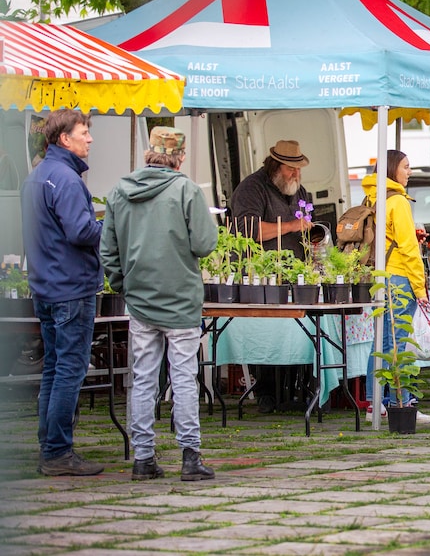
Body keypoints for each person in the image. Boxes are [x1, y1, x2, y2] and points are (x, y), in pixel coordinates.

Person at [100, 127, 218, 481]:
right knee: (183, 378)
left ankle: (143, 458)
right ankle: (190, 457)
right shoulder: (186, 190)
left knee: (142, 379)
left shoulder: (119, 191)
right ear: (180, 157)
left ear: (148, 154)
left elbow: (108, 251)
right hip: (180, 300)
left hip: (139, 301)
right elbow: (205, 243)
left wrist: (125, 286)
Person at [20, 109, 105, 476]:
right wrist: (109, 227)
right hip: (71, 287)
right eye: (84, 132)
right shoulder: (67, 179)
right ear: (64, 138)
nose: (90, 138)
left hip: (46, 285)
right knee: (69, 369)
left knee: (54, 369)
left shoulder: (37, 176)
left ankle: (49, 447)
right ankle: (57, 452)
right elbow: (81, 232)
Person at [229, 139, 315, 413]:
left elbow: (306, 224)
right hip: (261, 278)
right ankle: (266, 393)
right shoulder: (251, 188)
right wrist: (290, 226)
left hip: (293, 275)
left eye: (298, 169)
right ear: (275, 167)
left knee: (295, 335)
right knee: (267, 336)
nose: (296, 174)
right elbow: (247, 230)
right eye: (291, 169)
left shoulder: (300, 190)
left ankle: (293, 391)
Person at [362, 150, 430, 423]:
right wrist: (420, 288)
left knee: (381, 341)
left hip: (379, 276)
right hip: (400, 277)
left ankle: (374, 403)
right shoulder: (398, 201)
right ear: (392, 169)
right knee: (399, 342)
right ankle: (401, 402)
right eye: (406, 166)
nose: (409, 171)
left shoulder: (373, 197)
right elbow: (408, 250)